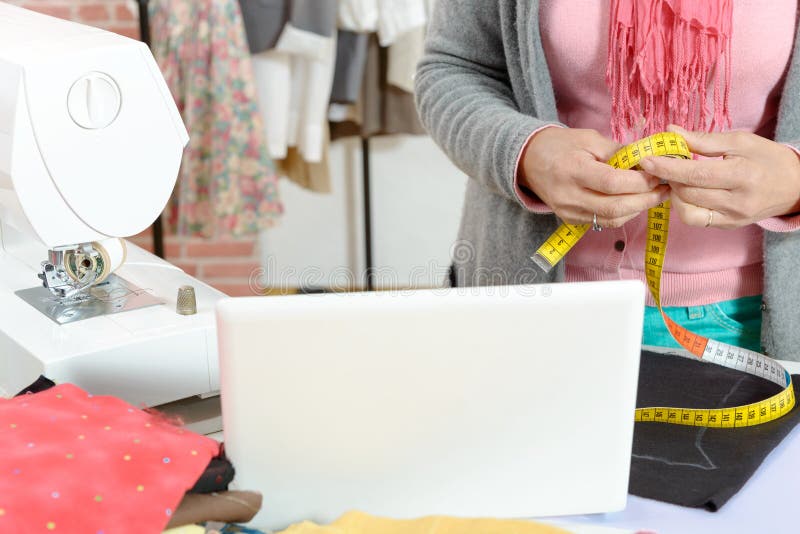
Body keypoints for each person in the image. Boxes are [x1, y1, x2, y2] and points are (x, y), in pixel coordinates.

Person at [414, 0, 800, 361]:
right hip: (531, 303)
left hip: (761, 318)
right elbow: (454, 67)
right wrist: (527, 154)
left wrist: (793, 178)